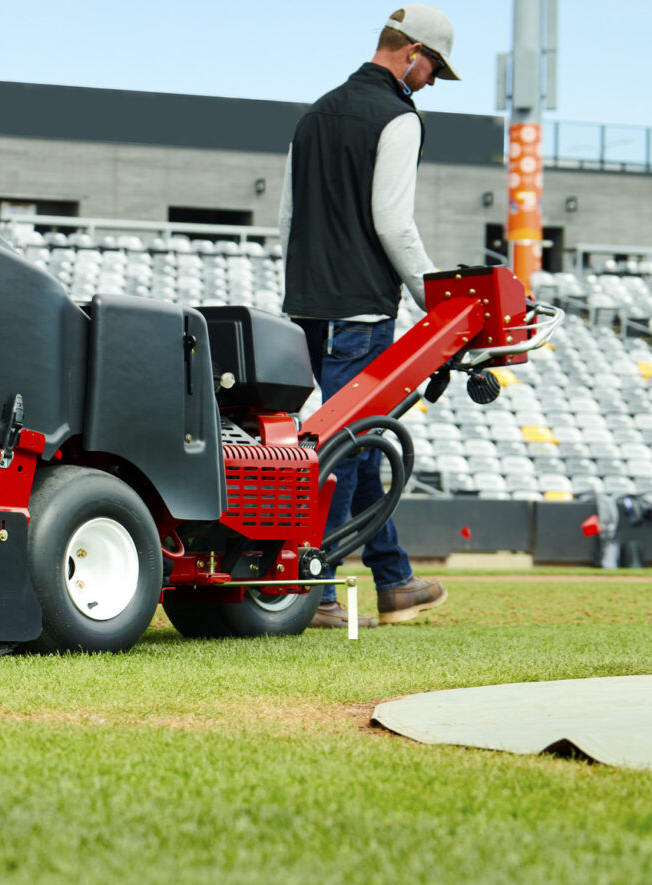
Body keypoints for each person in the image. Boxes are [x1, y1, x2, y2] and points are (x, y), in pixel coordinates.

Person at [280, 4, 457, 628]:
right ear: (410, 53)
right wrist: (436, 298)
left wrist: (299, 287)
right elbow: (394, 223)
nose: (432, 81)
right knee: (348, 449)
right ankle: (320, 592)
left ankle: (393, 579)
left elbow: (288, 219)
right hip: (361, 308)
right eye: (433, 67)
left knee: (326, 446)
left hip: (303, 307)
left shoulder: (313, 114)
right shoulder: (400, 119)